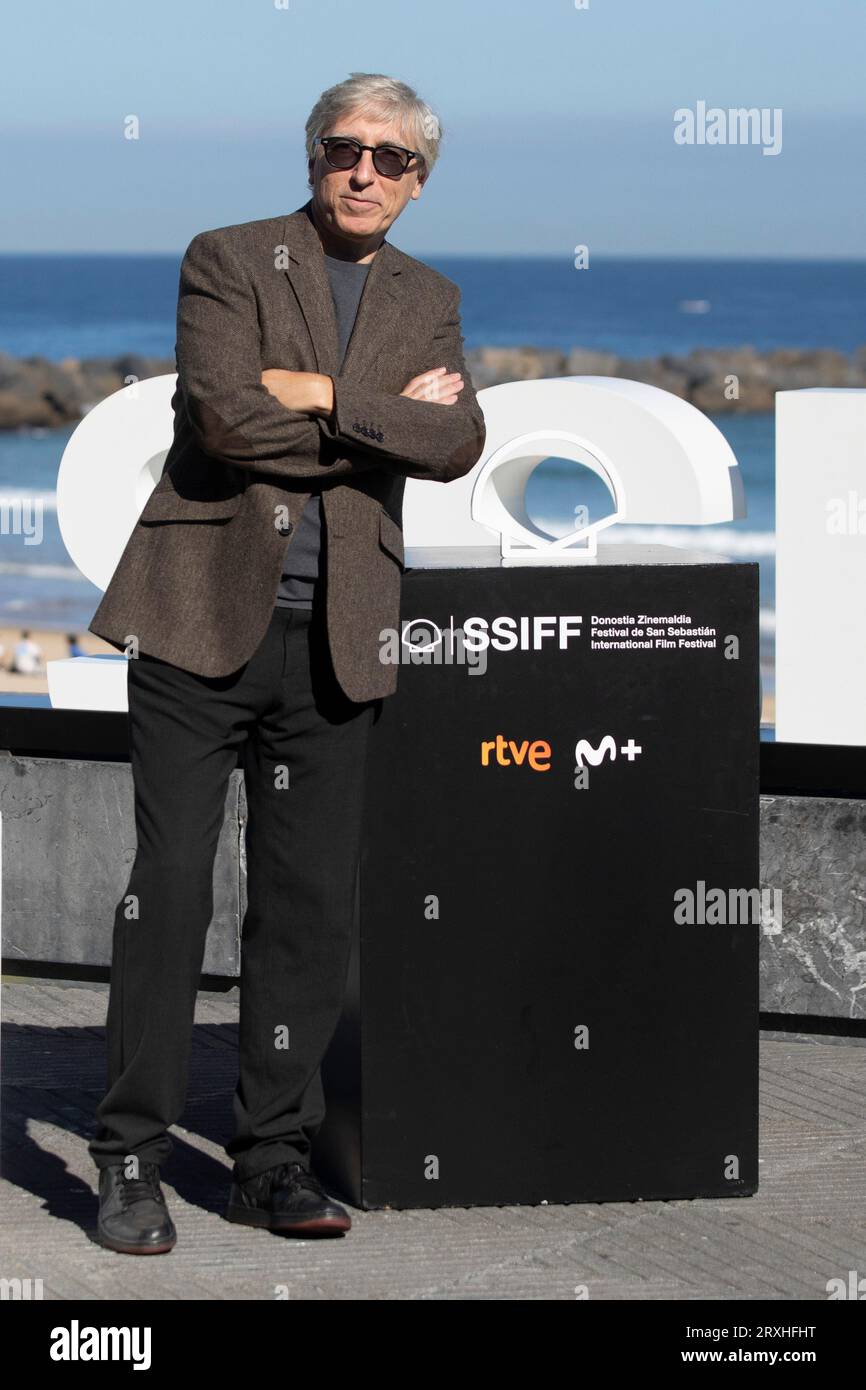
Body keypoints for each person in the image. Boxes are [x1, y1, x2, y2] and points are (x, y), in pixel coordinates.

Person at [86, 71, 486, 1254]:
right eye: (342, 150)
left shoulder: (431, 295)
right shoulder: (228, 256)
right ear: (312, 156)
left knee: (306, 914)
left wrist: (316, 395)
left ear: (419, 178)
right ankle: (128, 1157)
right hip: (200, 620)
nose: (363, 173)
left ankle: (268, 1159)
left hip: (337, 643)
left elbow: (458, 440)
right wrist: (375, 420)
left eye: (391, 159)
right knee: (168, 894)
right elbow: (223, 418)